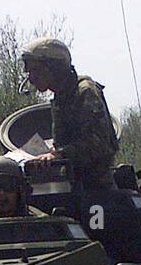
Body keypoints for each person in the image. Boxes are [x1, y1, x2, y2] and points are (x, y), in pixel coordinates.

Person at [19, 37, 117, 191]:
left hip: (96, 189)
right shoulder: (61, 97)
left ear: (55, 68)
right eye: (29, 71)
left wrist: (58, 155)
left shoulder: (85, 91)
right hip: (70, 185)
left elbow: (98, 145)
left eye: (36, 70)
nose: (31, 78)